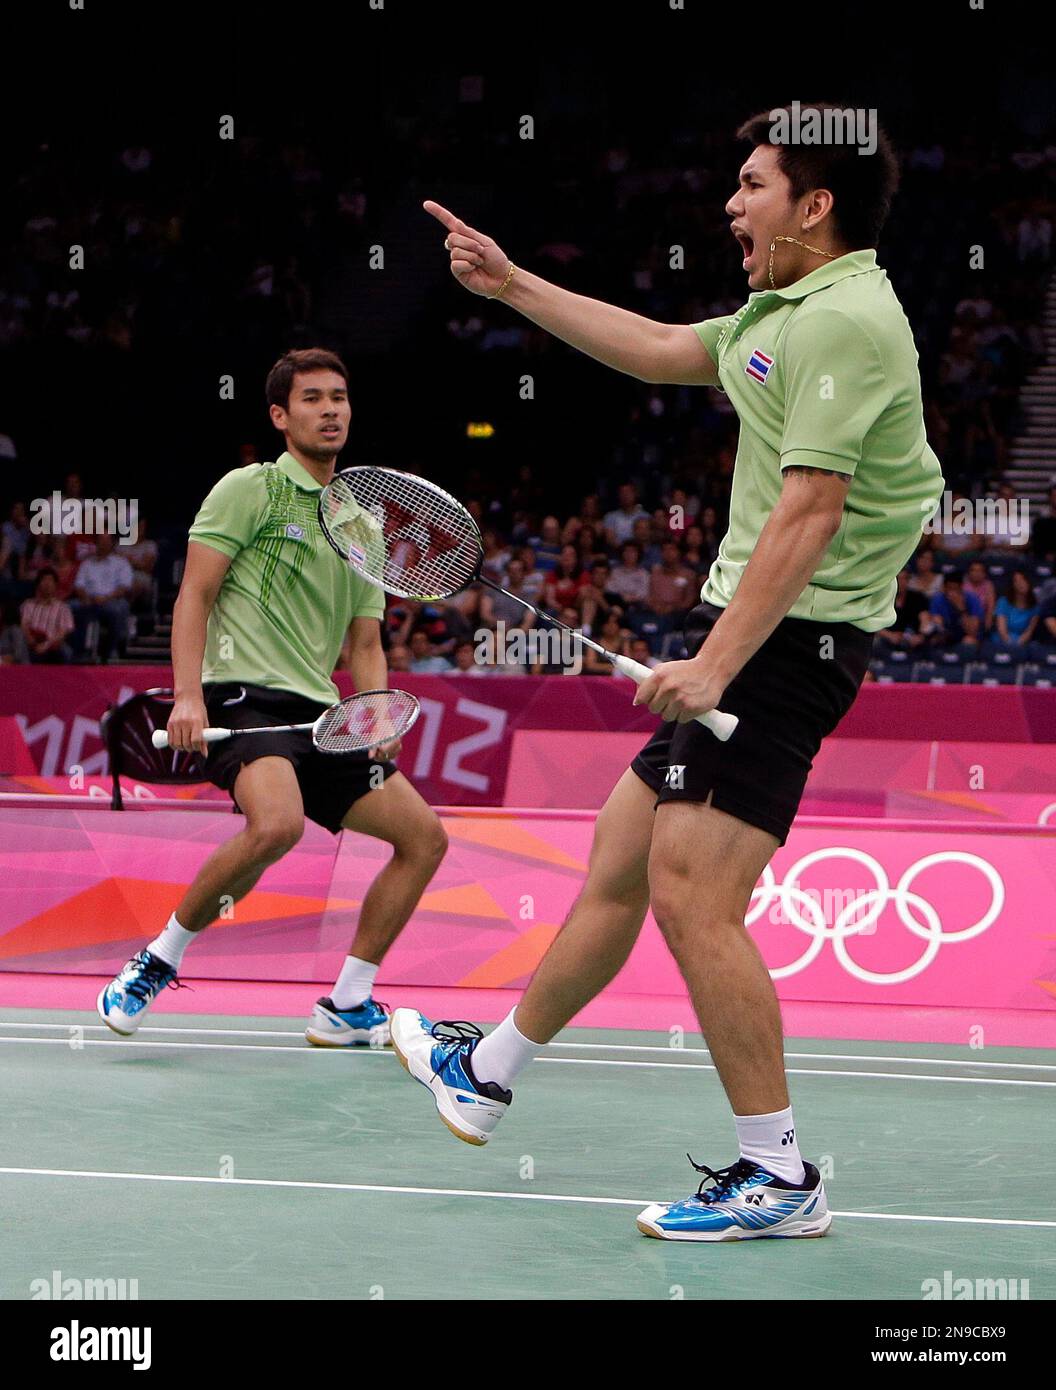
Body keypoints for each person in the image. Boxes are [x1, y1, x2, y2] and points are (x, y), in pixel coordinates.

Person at [395, 100, 943, 1244]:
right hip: (767, 636)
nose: (731, 202)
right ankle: (488, 1073)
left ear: (815, 203)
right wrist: (511, 285)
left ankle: (779, 1172)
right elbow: (658, 349)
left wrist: (713, 663)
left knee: (697, 897)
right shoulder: (782, 308)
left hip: (795, 643)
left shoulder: (847, 321)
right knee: (621, 859)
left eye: (752, 184)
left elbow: (812, 508)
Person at [96, 348, 448, 1046]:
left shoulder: (360, 524)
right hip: (243, 698)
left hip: (318, 713)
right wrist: (189, 696)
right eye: (313, 398)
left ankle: (349, 1003)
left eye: (340, 397)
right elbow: (194, 594)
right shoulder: (248, 489)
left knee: (424, 839)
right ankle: (157, 959)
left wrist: (373, 712)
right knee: (277, 824)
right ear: (281, 416)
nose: (331, 410)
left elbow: (366, 642)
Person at [69, 534, 133, 661]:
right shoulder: (87, 564)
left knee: (119, 608)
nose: (103, 543)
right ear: (96, 543)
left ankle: (113, 649)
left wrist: (107, 598)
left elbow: (124, 587)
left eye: (106, 540)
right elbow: (79, 585)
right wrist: (86, 597)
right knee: (70, 606)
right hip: (89, 601)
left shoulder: (121, 563)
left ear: (112, 543)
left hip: (111, 600)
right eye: (100, 540)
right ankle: (77, 651)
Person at [20, 567, 74, 662]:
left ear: (56, 585)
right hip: (31, 642)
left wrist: (46, 645)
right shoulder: (28, 604)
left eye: (50, 581)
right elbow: (23, 626)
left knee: (67, 651)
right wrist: (31, 641)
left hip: (52, 643)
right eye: (44, 580)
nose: (47, 584)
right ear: (38, 584)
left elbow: (63, 632)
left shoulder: (63, 607)